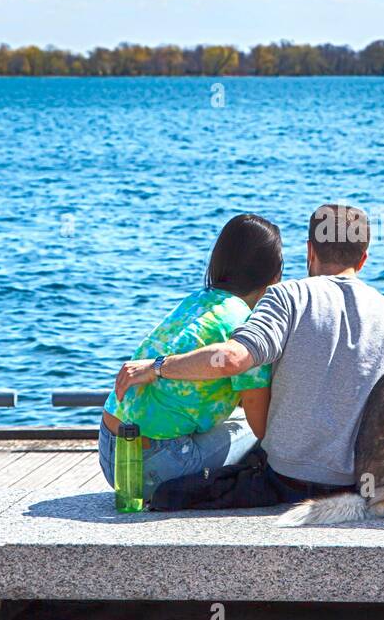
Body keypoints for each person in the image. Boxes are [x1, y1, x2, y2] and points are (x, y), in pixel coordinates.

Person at [114, 203, 384, 510]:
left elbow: (233, 359)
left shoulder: (287, 297)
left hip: (287, 482)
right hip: (360, 484)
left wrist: (158, 367)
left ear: (310, 250)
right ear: (364, 258)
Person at [97, 213, 283, 502]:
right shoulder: (246, 325)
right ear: (275, 275)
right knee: (257, 428)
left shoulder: (196, 301)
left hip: (111, 454)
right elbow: (262, 427)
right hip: (154, 468)